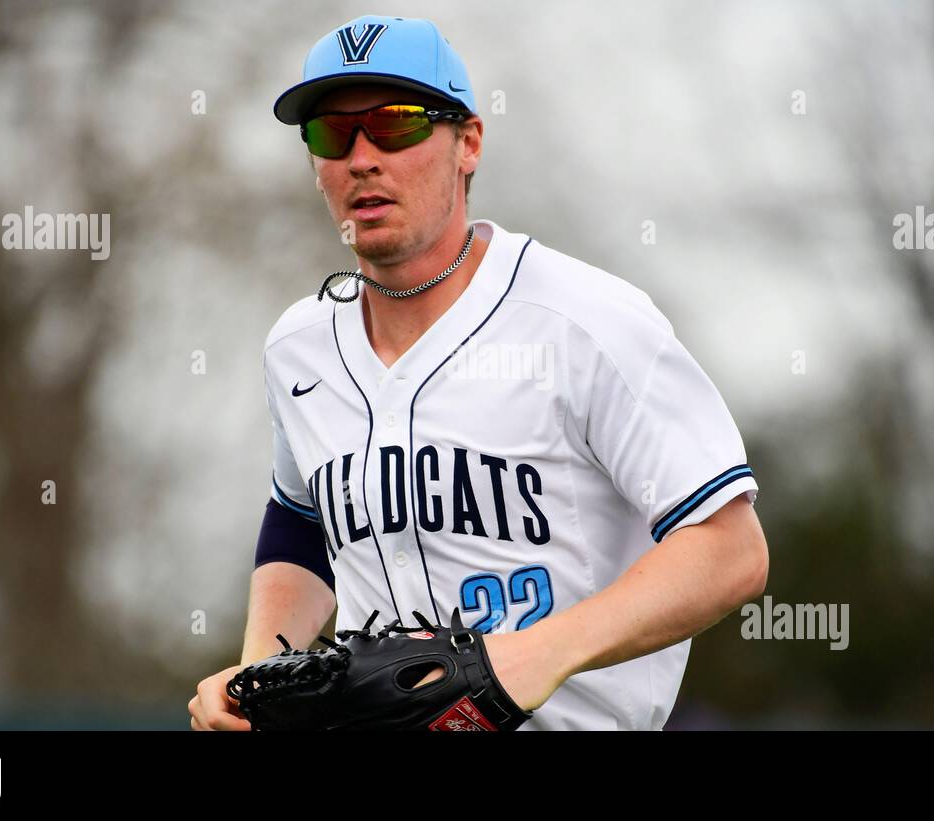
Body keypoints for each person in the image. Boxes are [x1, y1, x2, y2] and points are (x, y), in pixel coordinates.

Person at [189, 14, 768, 731]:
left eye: (394, 124)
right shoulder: (299, 347)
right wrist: (259, 671)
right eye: (332, 134)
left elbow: (731, 548)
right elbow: (302, 519)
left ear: (468, 142)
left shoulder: (584, 320)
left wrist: (531, 656)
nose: (362, 157)